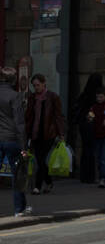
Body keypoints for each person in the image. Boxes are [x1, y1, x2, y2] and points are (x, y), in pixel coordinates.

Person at [25, 74, 66, 194]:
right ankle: (48, 182)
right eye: (34, 86)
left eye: (38, 85)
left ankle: (37, 187)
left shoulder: (53, 97)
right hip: (35, 133)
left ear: (44, 83)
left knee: (41, 160)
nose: (36, 88)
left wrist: (61, 133)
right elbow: (29, 116)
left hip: (49, 133)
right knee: (40, 160)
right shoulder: (32, 98)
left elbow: (58, 116)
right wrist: (26, 132)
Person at [0, 66, 29, 216]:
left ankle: (23, 206)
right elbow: (19, 123)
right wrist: (24, 146)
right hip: (11, 139)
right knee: (17, 174)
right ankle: (19, 209)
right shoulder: (15, 96)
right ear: (13, 80)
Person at [72, 73, 104, 185]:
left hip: (83, 125)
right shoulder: (96, 96)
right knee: (92, 150)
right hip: (91, 125)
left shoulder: (84, 95)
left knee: (86, 149)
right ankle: (91, 176)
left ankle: (84, 175)